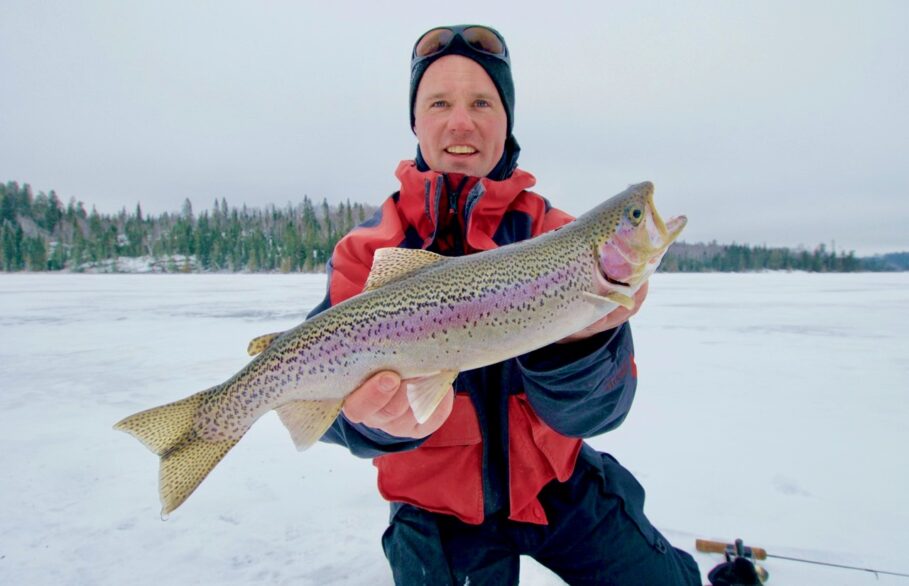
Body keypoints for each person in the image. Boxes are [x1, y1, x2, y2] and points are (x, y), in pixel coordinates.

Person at [309, 24, 701, 585]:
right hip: (434, 512)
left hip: (556, 484)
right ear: (416, 122)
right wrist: (373, 423)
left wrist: (580, 349)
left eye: (481, 102)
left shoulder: (557, 236)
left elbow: (602, 413)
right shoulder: (367, 253)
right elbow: (321, 413)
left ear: (507, 119)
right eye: (439, 102)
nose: (460, 121)